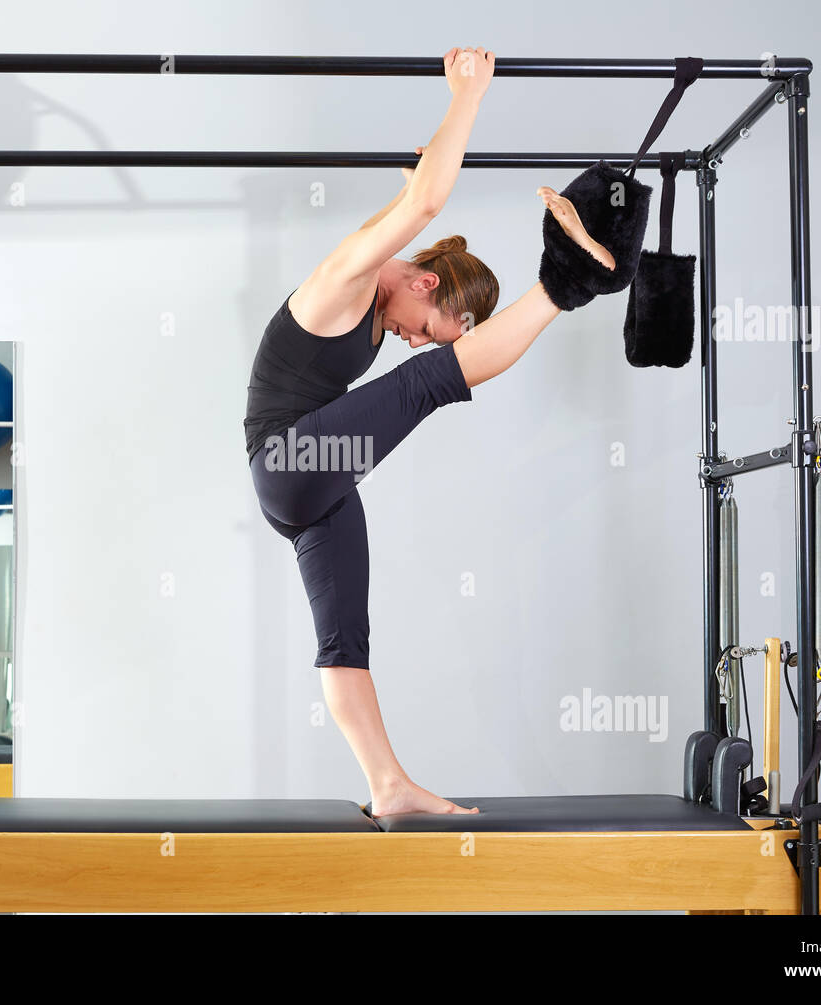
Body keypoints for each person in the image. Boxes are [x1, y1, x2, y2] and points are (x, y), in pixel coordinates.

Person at [243, 47, 618, 817]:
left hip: (317, 485)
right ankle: (568, 283)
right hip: (291, 458)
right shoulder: (345, 277)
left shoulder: (387, 288)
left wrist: (418, 178)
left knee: (346, 639)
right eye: (432, 325)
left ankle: (388, 783)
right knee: (423, 387)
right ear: (425, 281)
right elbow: (424, 208)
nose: (417, 337)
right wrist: (467, 96)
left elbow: (413, 206)